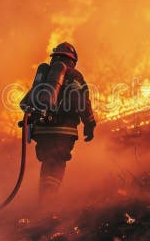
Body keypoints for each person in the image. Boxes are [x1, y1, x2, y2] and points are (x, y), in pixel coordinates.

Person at [20, 42, 96, 199]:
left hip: (41, 131)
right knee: (57, 163)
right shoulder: (74, 75)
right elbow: (79, 99)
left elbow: (24, 103)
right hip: (63, 130)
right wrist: (89, 123)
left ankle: (43, 199)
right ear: (72, 61)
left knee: (48, 162)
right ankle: (48, 202)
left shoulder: (44, 77)